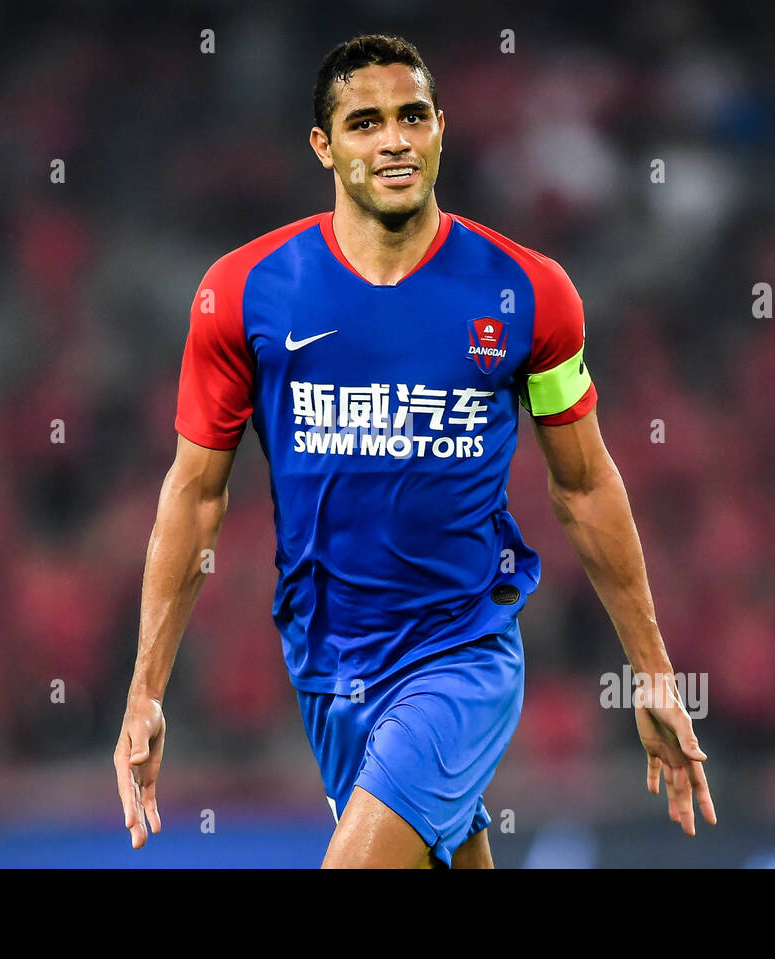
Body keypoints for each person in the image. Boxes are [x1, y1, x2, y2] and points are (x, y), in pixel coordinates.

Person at [114, 33, 715, 868]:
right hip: (328, 667)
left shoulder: (529, 293)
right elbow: (194, 496)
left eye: (412, 116)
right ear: (323, 146)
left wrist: (651, 669)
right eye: (365, 122)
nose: (394, 138)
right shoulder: (244, 293)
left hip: (461, 659)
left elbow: (583, 485)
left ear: (441, 129)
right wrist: (146, 690)